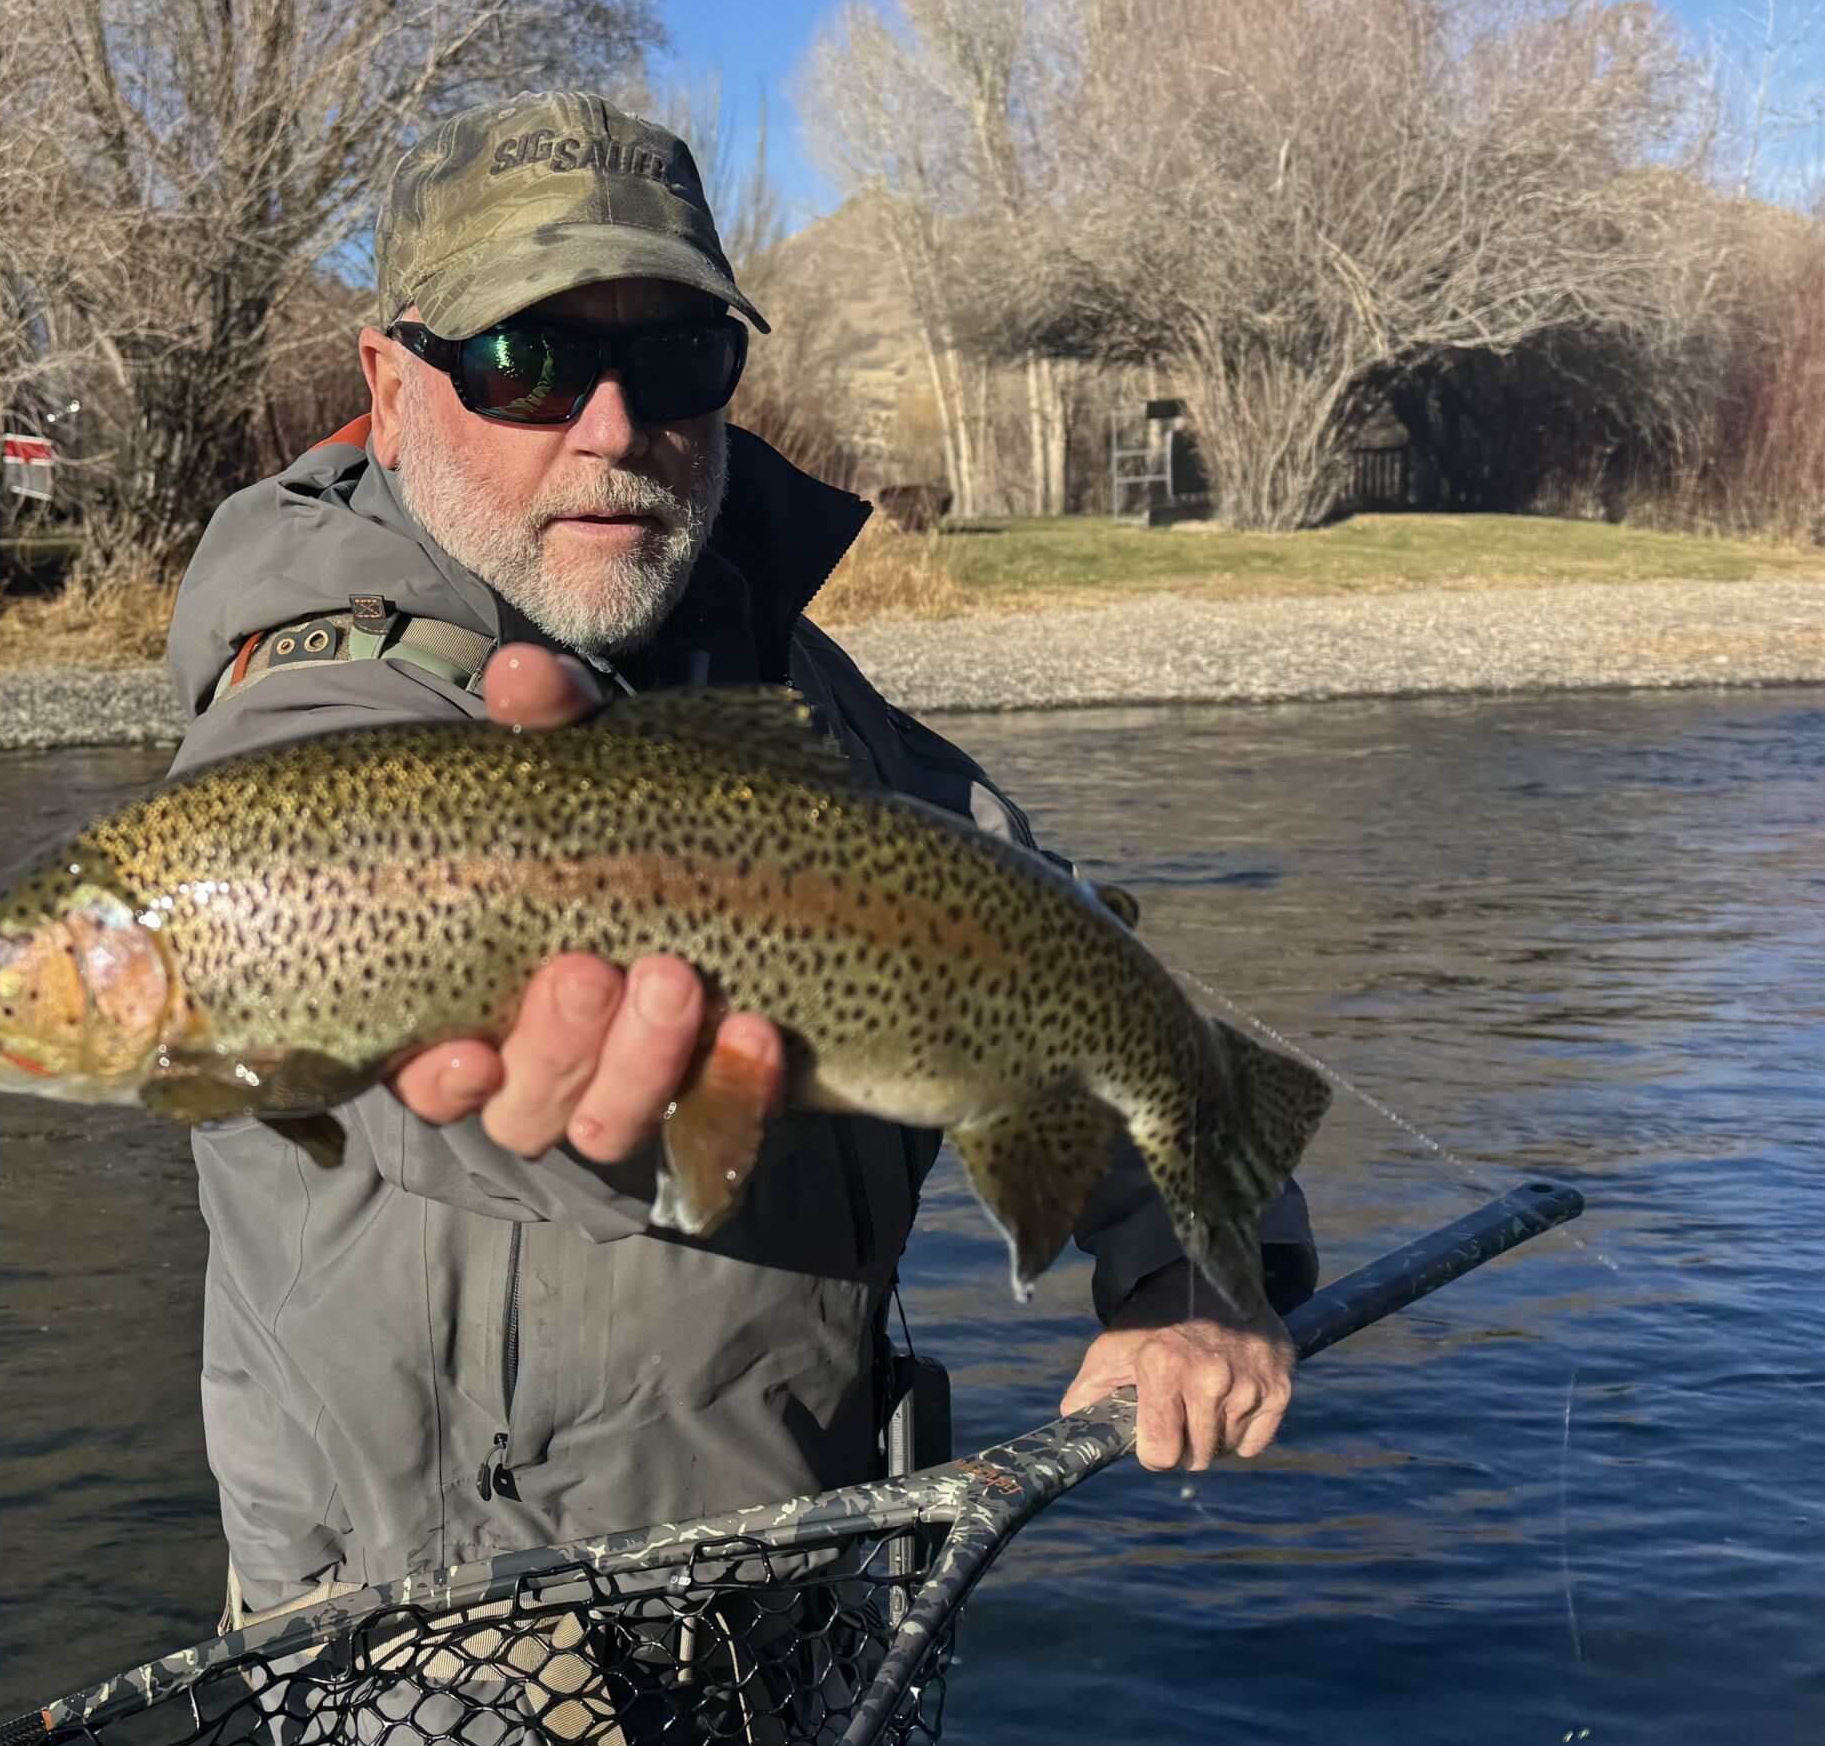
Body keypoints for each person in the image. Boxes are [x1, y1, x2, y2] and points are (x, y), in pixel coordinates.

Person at [162, 90, 1315, 1635]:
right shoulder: (310, 698)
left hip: (801, 1620)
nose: (615, 425)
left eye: (679, 358)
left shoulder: (799, 687)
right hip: (444, 1662)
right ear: (390, 377)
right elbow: (313, 952)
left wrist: (1195, 1266)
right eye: (528, 358)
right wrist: (572, 1043)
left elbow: (1064, 968)